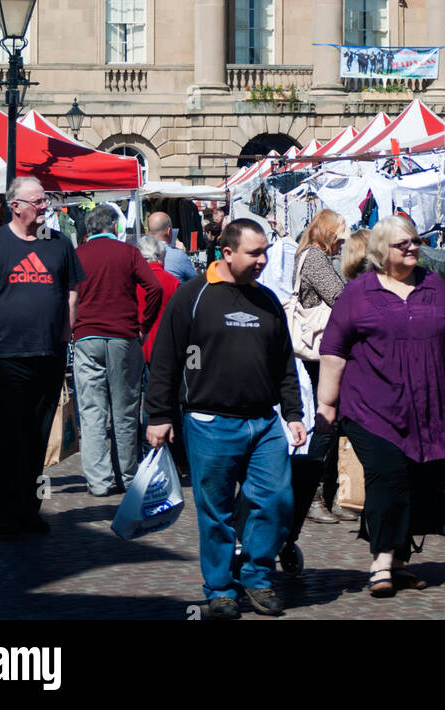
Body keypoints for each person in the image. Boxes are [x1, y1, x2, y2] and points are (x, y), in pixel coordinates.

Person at [145, 219, 306, 620]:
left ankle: (257, 577)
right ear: (227, 252)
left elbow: (284, 362)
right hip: (209, 422)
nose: (264, 260)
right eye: (255, 253)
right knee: (215, 511)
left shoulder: (268, 301)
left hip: (264, 423)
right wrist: (159, 415)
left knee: (276, 500)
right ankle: (220, 588)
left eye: (266, 251)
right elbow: (166, 357)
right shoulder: (192, 296)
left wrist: (293, 413)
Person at [317, 213, 445, 596]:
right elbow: (333, 350)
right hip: (371, 406)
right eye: (403, 244)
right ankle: (380, 560)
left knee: (416, 480)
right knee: (388, 475)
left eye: (415, 241)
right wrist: (327, 404)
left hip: (425, 406)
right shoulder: (359, 292)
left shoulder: (435, 286)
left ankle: (398, 560)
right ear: (382, 251)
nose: (413, 247)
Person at [0, 177, 84, 540]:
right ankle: (8, 514)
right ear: (16, 206)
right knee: (9, 437)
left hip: (48, 354)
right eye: (37, 201)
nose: (45, 206)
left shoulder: (58, 244)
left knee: (37, 440)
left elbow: (72, 291)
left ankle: (30, 511)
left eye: (45, 200)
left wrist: (67, 331)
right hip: (5, 357)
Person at [73, 205, 164, 496]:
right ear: (114, 227)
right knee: (125, 410)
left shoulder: (78, 255)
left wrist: (71, 329)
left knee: (92, 411)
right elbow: (154, 288)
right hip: (124, 336)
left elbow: (67, 296)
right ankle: (126, 475)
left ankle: (99, 481)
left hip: (87, 336)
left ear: (89, 229)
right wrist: (144, 324)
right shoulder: (129, 253)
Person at [293, 210, 346, 525]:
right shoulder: (314, 258)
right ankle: (314, 493)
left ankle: (327, 491)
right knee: (328, 419)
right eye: (339, 234)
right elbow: (339, 296)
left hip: (325, 348)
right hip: (323, 347)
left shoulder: (311, 256)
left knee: (333, 419)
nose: (342, 240)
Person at [136, 233, 181, 460]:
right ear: (160, 256)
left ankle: (145, 450)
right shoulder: (172, 281)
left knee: (140, 400)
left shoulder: (134, 281)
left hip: (140, 347)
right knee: (165, 399)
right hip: (165, 350)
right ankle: (167, 450)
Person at [148, 210, 197, 284]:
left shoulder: (138, 254)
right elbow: (195, 281)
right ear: (168, 231)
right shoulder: (178, 255)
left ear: (147, 231)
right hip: (175, 294)